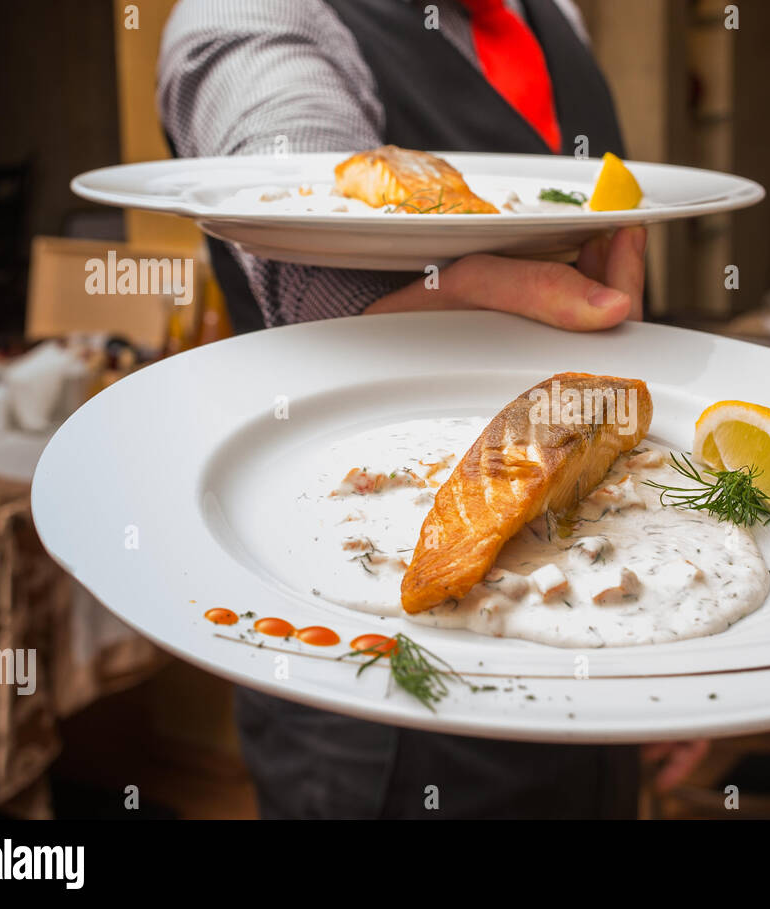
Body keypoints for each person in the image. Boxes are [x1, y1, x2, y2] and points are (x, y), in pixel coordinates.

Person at [158, 0, 705, 818]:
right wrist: (372, 299)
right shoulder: (256, 13)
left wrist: (679, 654)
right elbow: (288, 157)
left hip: (593, 632)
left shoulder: (555, 15)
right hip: (380, 686)